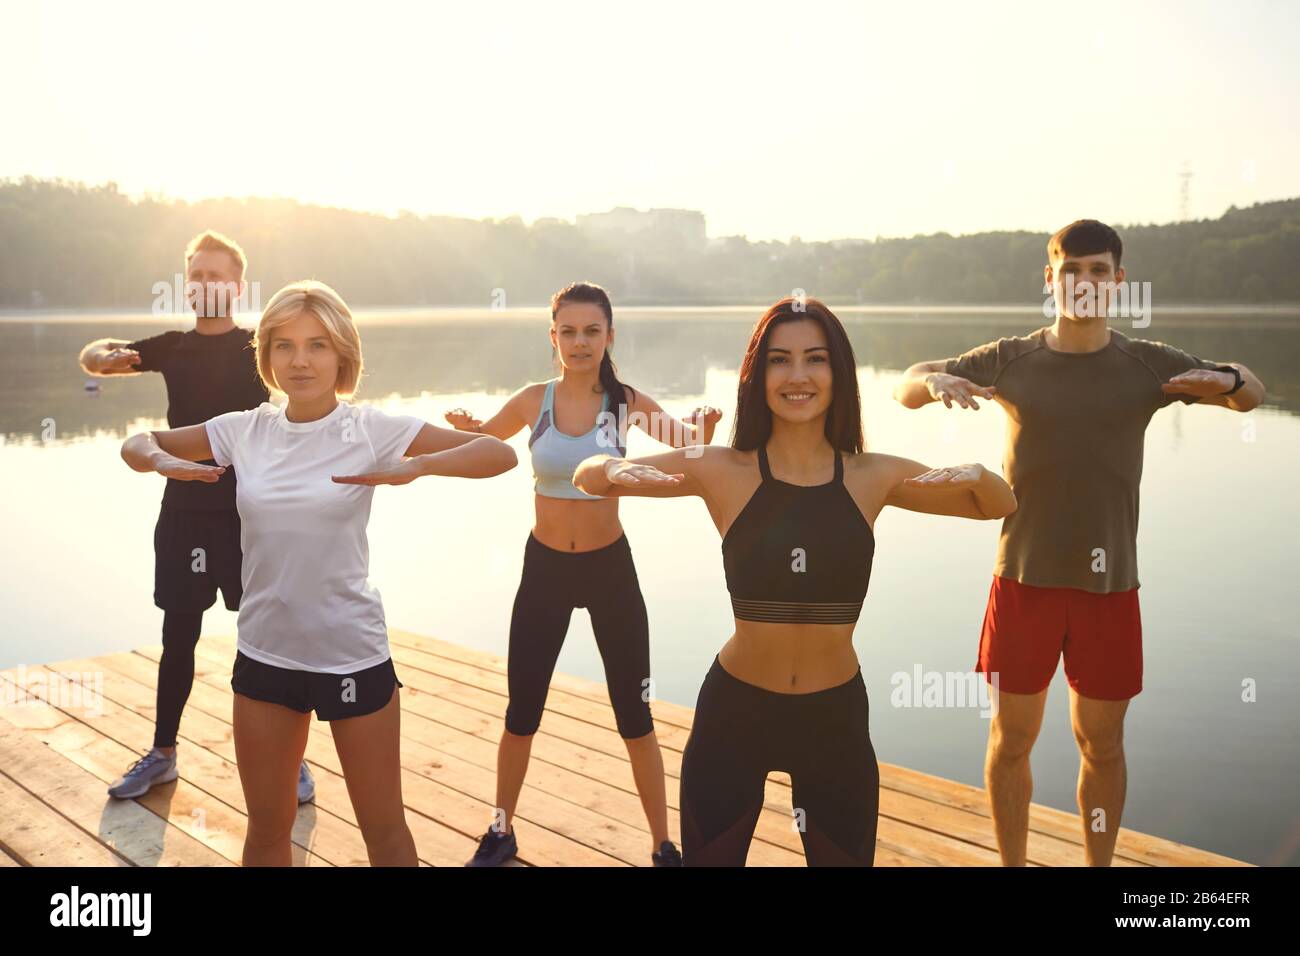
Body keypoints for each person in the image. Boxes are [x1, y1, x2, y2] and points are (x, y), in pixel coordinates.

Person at [573, 296, 1016, 866]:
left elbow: (995, 506)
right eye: (780, 360)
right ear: (758, 376)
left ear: (838, 372)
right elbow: (589, 478)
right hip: (735, 713)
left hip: (833, 720)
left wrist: (979, 473)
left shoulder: (871, 475)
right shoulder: (722, 468)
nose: (798, 376)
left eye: (816, 359)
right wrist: (609, 468)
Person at [892, 219, 1265, 866]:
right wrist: (934, 382)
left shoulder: (1146, 363)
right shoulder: (1013, 357)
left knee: (1104, 746)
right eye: (1071, 270)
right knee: (1012, 741)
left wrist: (1227, 383)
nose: (1085, 282)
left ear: (1119, 281)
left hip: (1109, 588)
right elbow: (907, 383)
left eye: (1099, 271)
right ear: (1050, 279)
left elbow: (1252, 394)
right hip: (1023, 582)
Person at [120, 280, 516, 865]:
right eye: (284, 346)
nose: (300, 360)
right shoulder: (243, 429)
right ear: (267, 357)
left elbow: (497, 453)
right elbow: (138, 442)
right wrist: (163, 460)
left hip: (350, 654)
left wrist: (421, 466)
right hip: (265, 657)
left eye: (317, 345)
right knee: (266, 831)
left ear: (342, 356)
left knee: (384, 832)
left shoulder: (373, 429)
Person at [445, 281, 722, 867]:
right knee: (522, 710)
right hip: (544, 568)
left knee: (634, 713)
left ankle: (662, 844)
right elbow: (485, 438)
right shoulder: (532, 400)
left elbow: (687, 444)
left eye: (591, 331)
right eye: (568, 331)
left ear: (609, 336)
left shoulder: (625, 401)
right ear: (553, 337)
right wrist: (466, 424)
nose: (579, 342)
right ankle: (501, 830)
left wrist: (705, 425)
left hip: (608, 569)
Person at [79, 231, 323, 803]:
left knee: (269, 635)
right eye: (197, 276)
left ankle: (293, 759)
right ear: (187, 288)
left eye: (217, 276)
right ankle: (163, 754)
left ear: (237, 286)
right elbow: (92, 360)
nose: (206, 284)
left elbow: (308, 378)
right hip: (185, 510)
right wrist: (104, 354)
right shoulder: (169, 348)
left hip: (252, 513)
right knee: (179, 633)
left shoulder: (261, 346)